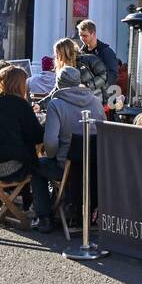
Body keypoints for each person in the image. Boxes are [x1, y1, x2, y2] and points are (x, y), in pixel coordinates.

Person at [0, 66, 59, 233]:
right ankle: (43, 215)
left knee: (27, 157)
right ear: (20, 85)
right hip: (7, 167)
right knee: (39, 167)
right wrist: (46, 124)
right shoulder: (19, 105)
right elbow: (37, 136)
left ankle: (29, 205)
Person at [40, 66, 106, 226]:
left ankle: (44, 216)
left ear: (59, 83)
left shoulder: (56, 104)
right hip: (94, 166)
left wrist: (52, 156)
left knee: (37, 166)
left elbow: (49, 142)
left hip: (67, 166)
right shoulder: (96, 102)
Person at [76, 20, 119, 88]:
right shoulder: (81, 52)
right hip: (86, 93)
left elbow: (112, 75)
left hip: (102, 93)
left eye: (85, 36)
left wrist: (101, 91)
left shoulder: (106, 52)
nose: (82, 38)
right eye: (80, 35)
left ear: (93, 34)